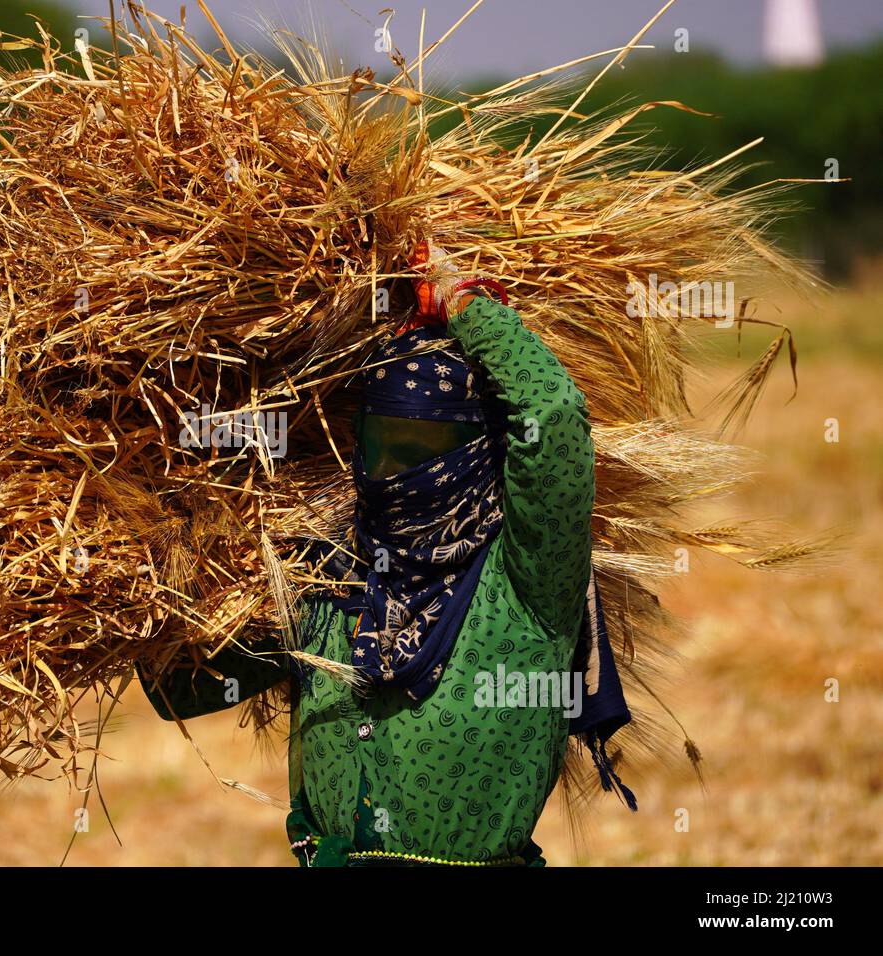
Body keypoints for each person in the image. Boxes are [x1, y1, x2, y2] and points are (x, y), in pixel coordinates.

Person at [139, 241, 633, 866]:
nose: (397, 472)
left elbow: (554, 416)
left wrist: (461, 300)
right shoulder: (332, 579)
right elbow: (182, 691)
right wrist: (142, 537)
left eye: (424, 446)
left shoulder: (528, 577)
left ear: (479, 452)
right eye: (383, 446)